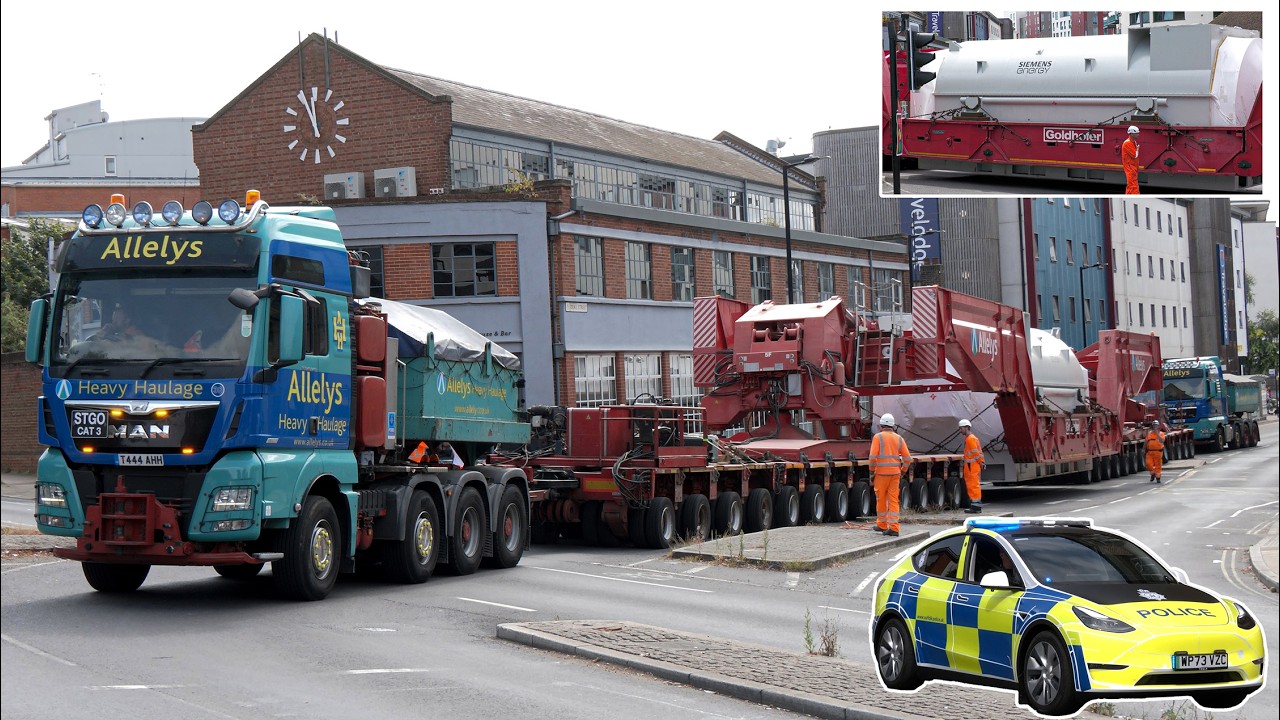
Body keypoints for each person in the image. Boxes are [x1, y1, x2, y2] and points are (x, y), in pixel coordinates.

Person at [869, 413, 911, 537]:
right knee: (893, 500)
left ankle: (882, 524)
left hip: (881, 475)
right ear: (892, 426)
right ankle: (894, 528)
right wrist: (903, 471)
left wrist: (872, 472)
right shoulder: (899, 438)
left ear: (881, 425)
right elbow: (907, 458)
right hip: (895, 474)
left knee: (880, 499)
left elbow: (872, 458)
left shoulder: (878, 437)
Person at [959, 418, 986, 514]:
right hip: (972, 465)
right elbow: (979, 452)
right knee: (974, 485)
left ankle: (975, 506)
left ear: (966, 427)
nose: (960, 430)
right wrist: (981, 462)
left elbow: (975, 453)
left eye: (961, 428)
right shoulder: (971, 438)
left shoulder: (970, 439)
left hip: (972, 466)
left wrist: (980, 462)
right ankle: (976, 506)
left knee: (973, 485)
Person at [1122, 125, 1141, 195]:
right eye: (1136, 133)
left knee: (1133, 184)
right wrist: (1138, 149)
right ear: (1131, 134)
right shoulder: (1127, 143)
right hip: (1130, 166)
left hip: (1133, 166)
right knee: (1132, 185)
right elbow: (1135, 155)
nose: (1138, 134)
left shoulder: (1133, 142)